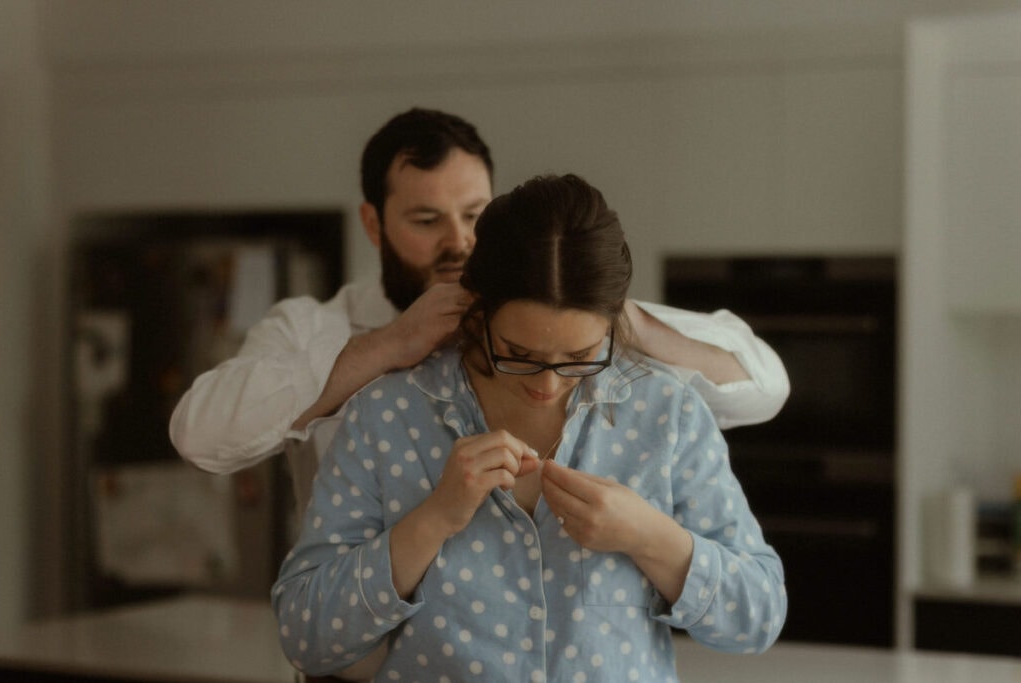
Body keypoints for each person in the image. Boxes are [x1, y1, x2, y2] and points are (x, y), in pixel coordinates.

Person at [272, 174, 787, 682]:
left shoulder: (667, 413)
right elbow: (306, 637)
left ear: (614, 323)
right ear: (478, 306)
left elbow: (758, 619)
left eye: (581, 356)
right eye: (519, 354)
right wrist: (432, 521)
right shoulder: (390, 414)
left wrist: (649, 536)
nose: (547, 384)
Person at [168, 108, 789, 507]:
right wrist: (384, 347)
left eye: (473, 214)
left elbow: (764, 387)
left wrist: (612, 316)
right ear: (373, 223)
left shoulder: (561, 322)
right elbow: (199, 436)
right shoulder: (309, 328)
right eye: (425, 220)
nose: (459, 243)